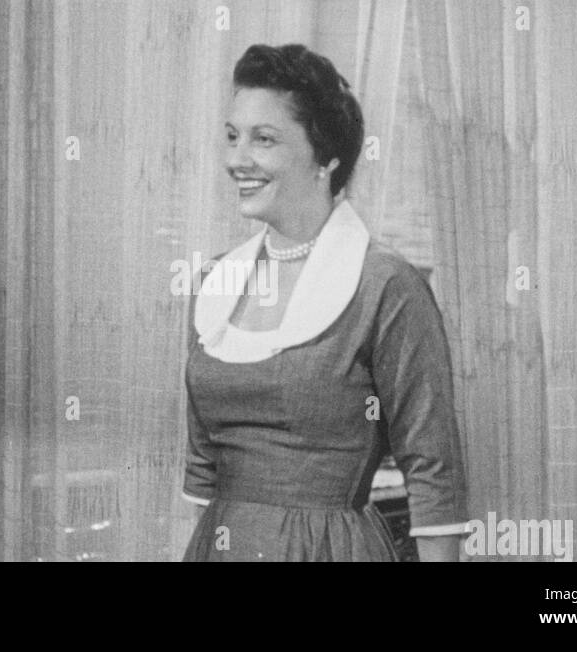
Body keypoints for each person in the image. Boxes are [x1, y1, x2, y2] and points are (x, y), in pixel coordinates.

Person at [182, 44, 468, 561]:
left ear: (326, 156)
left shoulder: (386, 285)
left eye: (263, 139)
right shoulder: (214, 283)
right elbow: (201, 469)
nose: (235, 159)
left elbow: (433, 473)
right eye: (231, 136)